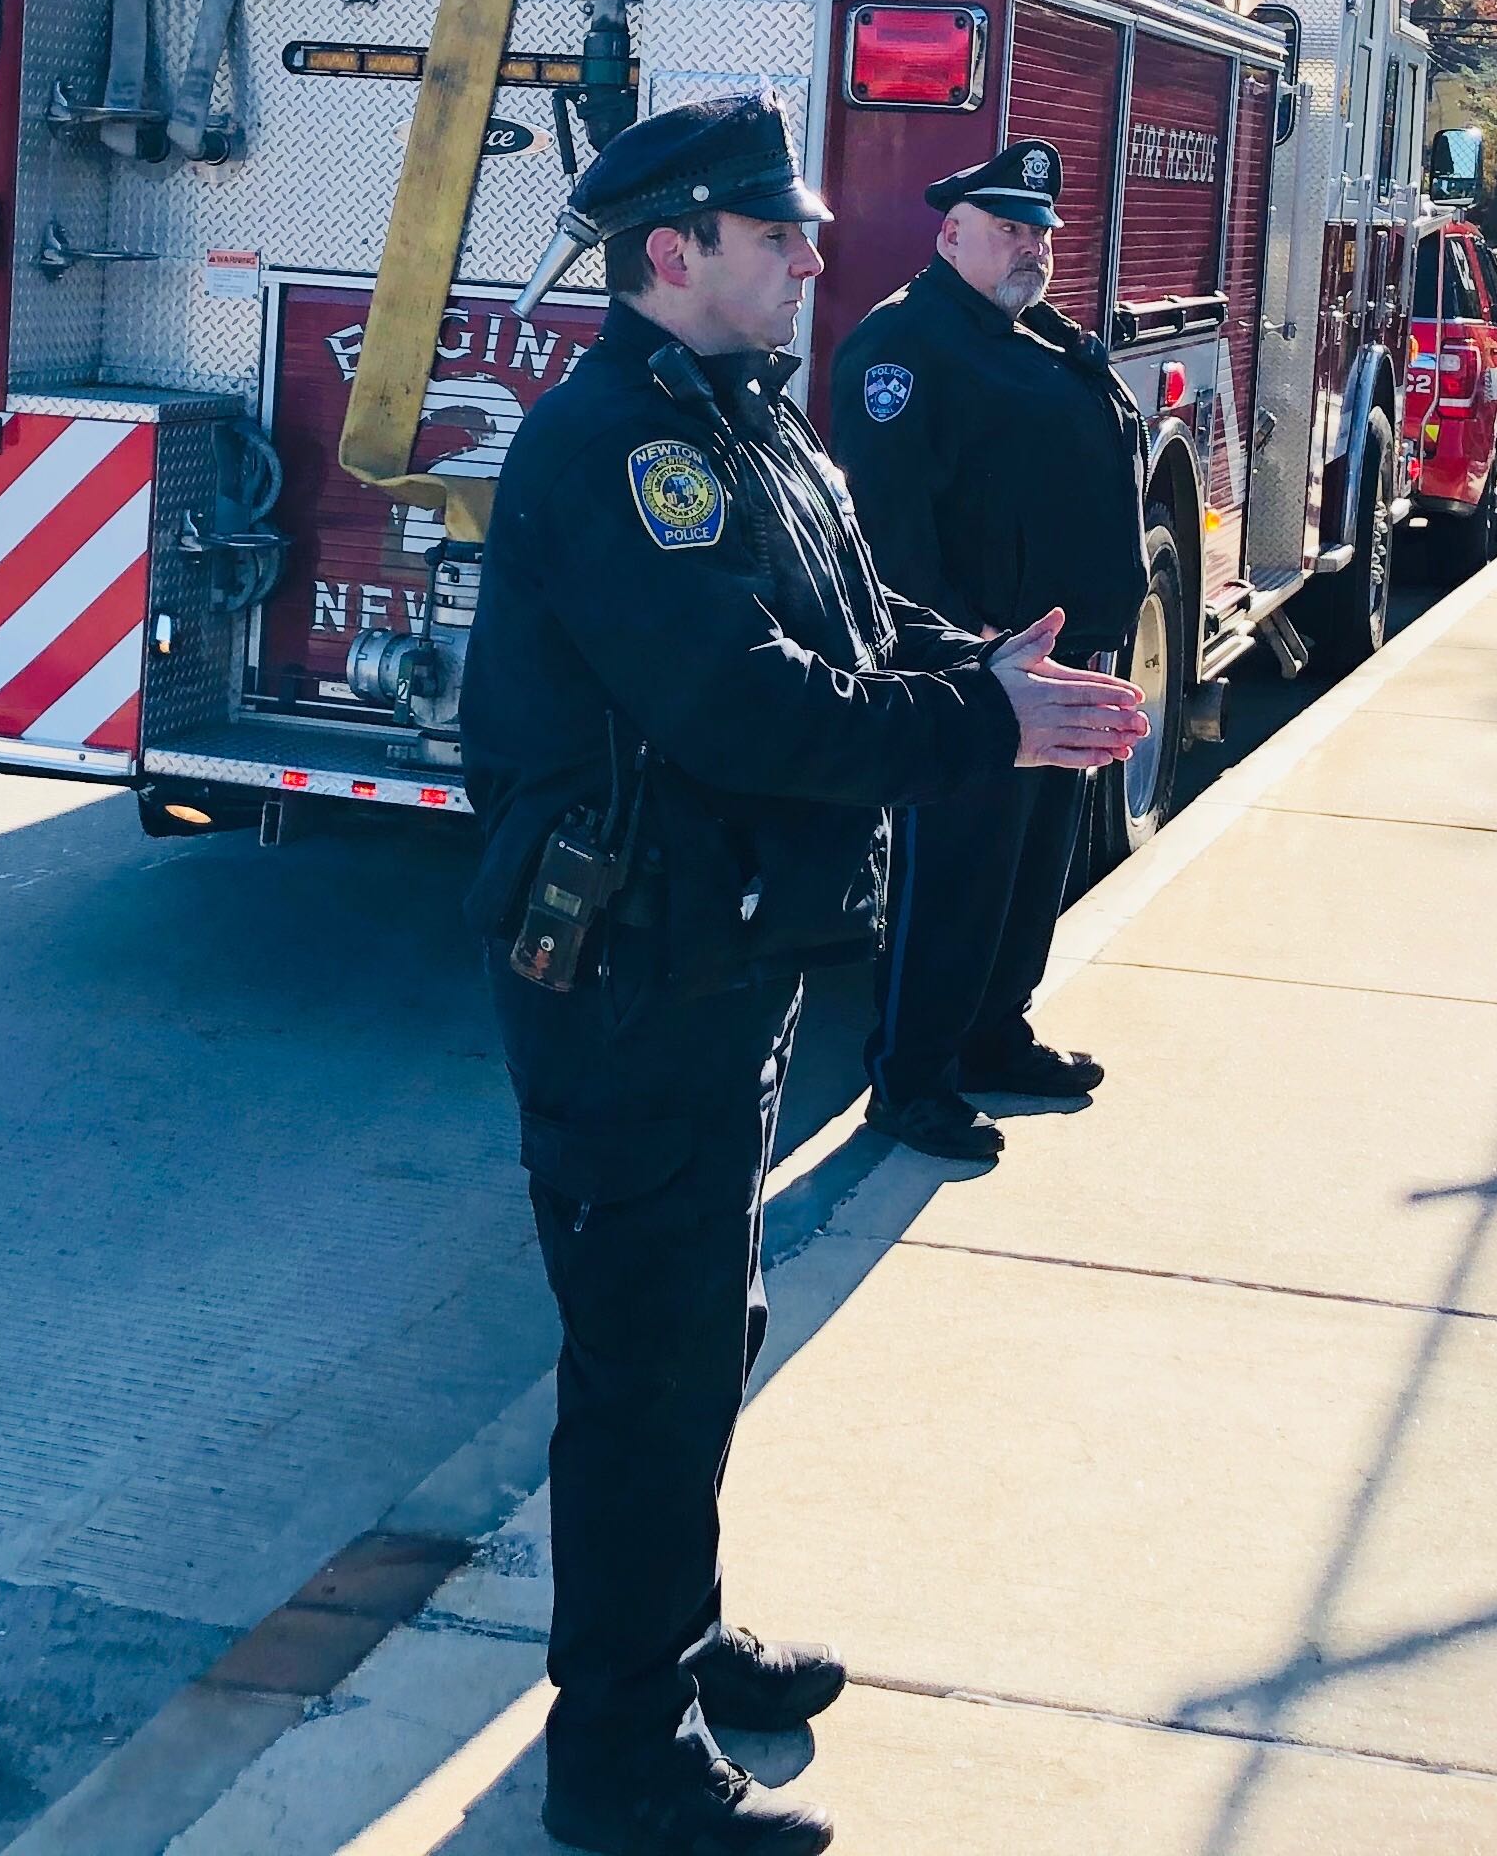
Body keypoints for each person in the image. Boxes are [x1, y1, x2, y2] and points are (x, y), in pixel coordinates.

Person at [463, 97, 1150, 1855]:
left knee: (705, 1331)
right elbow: (742, 701)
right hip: (629, 974)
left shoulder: (747, 425)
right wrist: (979, 721)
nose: (812, 251)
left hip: (722, 956)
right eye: (776, 233)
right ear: (670, 251)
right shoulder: (623, 444)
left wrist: (975, 664)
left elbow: (852, 620)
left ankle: (677, 1647)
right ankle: (617, 1758)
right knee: (643, 1361)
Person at [828, 142, 1145, 1162]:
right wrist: (962, 659)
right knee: (953, 877)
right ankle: (912, 1080)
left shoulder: (1028, 331)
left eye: (1041, 231)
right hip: (980, 670)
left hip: (1062, 653)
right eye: (1008, 228)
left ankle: (996, 1035)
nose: (1031, 247)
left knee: (1032, 863)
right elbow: (891, 529)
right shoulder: (905, 346)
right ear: (949, 231)